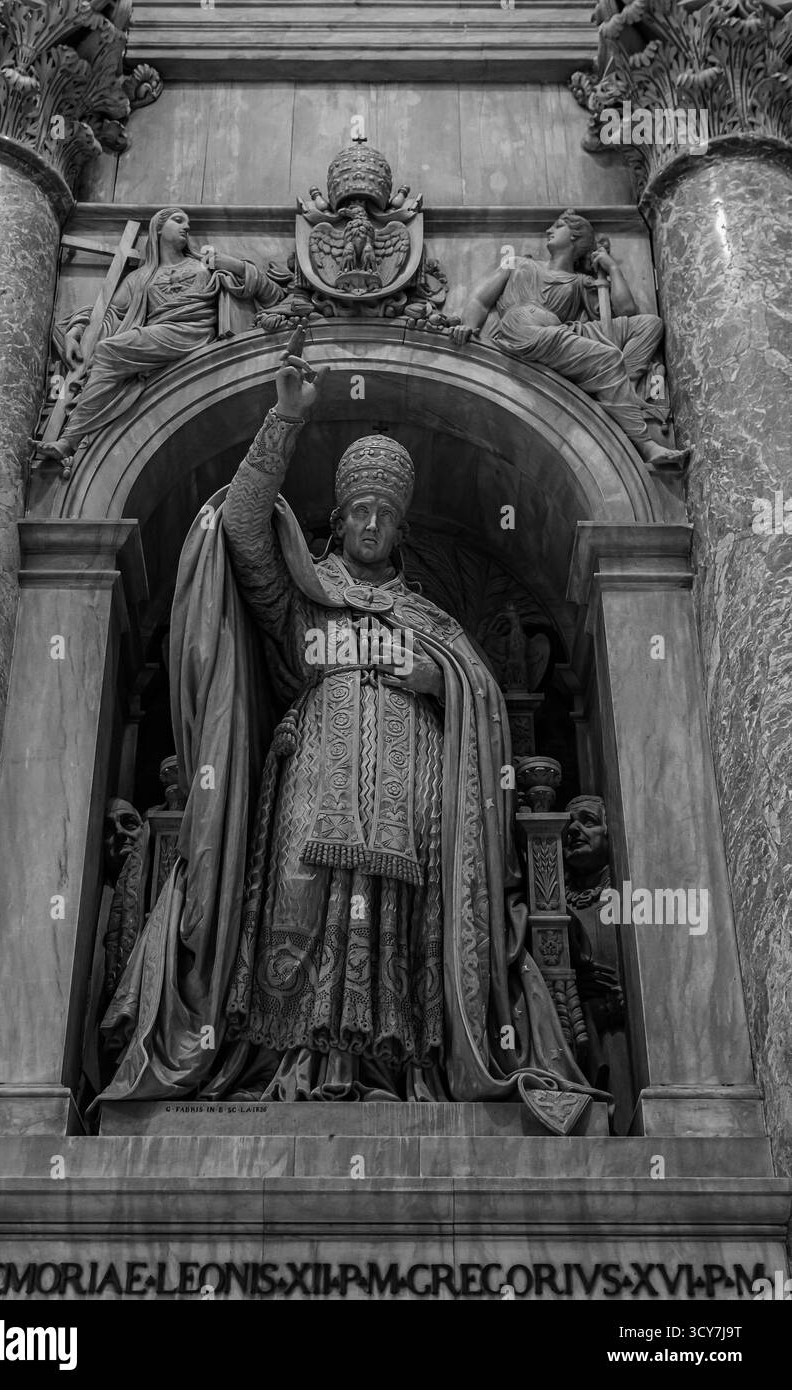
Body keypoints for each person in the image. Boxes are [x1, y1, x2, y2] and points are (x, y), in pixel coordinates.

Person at [97, 333, 597, 1109]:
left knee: (403, 924)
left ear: (401, 529)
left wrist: (442, 677)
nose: (370, 524)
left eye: (384, 515)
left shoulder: (430, 618)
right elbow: (240, 530)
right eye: (359, 510)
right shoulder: (303, 596)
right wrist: (284, 422)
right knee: (300, 904)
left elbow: (486, 699)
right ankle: (293, 1059)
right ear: (339, 516)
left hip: (416, 787)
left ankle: (399, 1067)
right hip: (313, 770)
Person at [33, 207, 285, 464]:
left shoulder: (204, 265)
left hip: (194, 332)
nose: (186, 227)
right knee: (107, 352)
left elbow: (271, 293)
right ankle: (70, 438)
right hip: (156, 336)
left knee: (109, 350)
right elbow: (109, 315)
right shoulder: (140, 278)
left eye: (187, 222)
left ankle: (69, 440)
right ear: (158, 228)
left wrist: (231, 264)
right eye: (178, 221)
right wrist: (74, 332)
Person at [459, 210, 688, 468]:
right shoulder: (518, 263)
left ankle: (623, 386)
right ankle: (645, 443)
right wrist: (469, 327)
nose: (549, 230)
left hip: (564, 331)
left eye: (558, 226)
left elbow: (625, 310)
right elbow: (480, 300)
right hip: (522, 328)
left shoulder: (580, 283)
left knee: (649, 324)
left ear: (575, 238)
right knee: (608, 358)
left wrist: (612, 268)